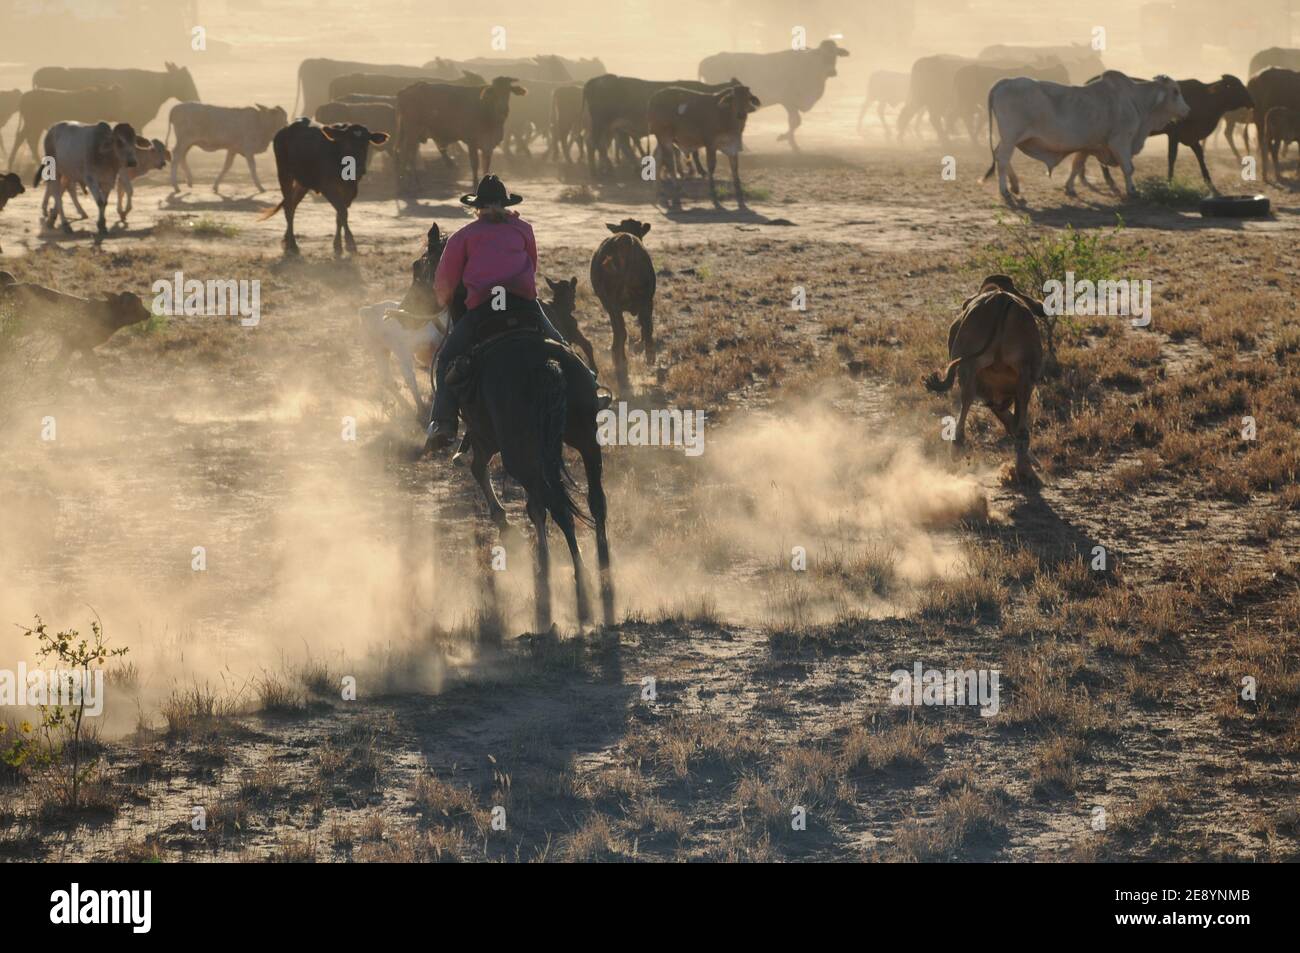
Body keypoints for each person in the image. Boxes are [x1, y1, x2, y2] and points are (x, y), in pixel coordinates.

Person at [424, 174, 591, 450]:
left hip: (484, 309)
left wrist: (444, 300)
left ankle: (444, 423)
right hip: (524, 305)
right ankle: (589, 391)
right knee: (560, 345)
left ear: (476, 207)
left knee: (446, 358)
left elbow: (444, 284)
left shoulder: (463, 236)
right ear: (505, 204)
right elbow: (532, 264)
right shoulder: (523, 228)